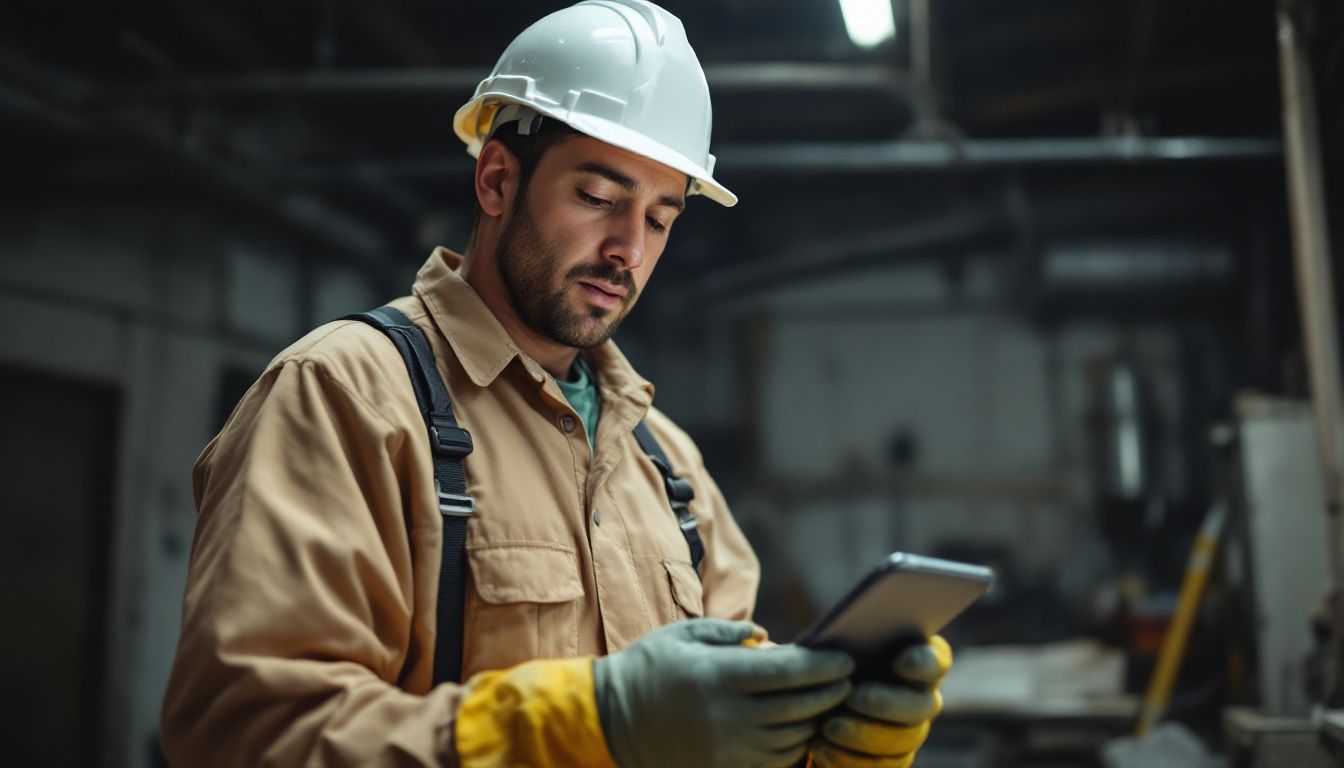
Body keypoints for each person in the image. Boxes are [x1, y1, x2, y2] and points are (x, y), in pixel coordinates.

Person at [161, 1, 952, 765]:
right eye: (600, 198)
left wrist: (822, 745)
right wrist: (587, 726)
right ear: (497, 181)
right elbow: (246, 735)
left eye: (660, 218)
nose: (628, 251)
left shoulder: (667, 466)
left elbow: (722, 733)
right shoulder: (345, 396)